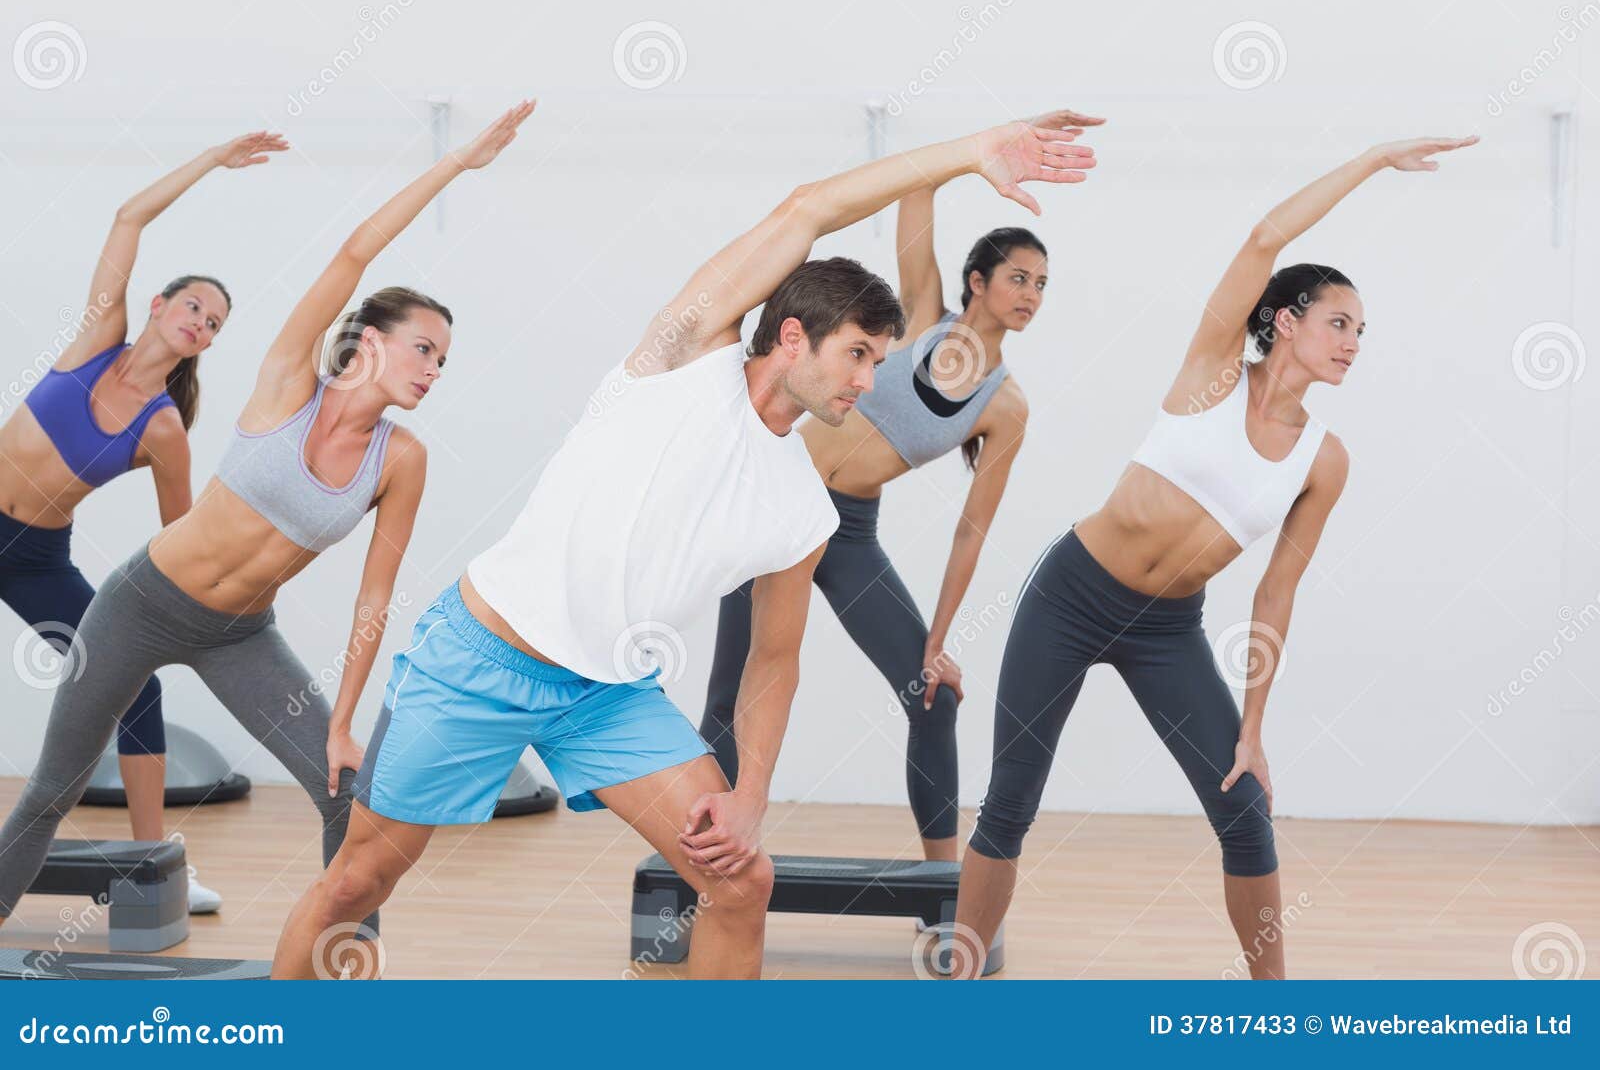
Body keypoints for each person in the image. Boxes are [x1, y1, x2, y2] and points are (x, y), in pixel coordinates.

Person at [270, 111, 1096, 980]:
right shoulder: (682, 359)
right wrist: (971, 154)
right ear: (792, 336)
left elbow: (774, 660)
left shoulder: (803, 509)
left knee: (740, 880)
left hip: (606, 696)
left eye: (878, 361)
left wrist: (750, 797)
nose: (869, 380)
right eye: (857, 354)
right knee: (356, 883)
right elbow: (808, 209)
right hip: (483, 655)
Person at [0, 102, 534, 945]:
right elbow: (355, 250)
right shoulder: (290, 380)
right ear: (371, 341)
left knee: (343, 791)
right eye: (424, 348)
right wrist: (455, 165)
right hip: (139, 603)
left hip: (241, 636)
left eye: (444, 360)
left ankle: (341, 962)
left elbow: (374, 599)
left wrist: (343, 723)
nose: (435, 369)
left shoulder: (401, 460)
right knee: (51, 790)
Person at [952, 135, 1478, 979]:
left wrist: (1254, 726)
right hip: (1072, 595)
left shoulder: (1325, 460)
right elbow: (1266, 236)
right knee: (1008, 805)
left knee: (1245, 812)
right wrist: (1372, 161)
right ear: (1286, 320)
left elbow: (1276, 595)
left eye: (1361, 331)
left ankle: (1273, 1001)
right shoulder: (1214, 372)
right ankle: (957, 984)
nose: (1353, 342)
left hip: (1168, 629)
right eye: (1339, 322)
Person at [701, 110, 1104, 861]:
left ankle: (942, 891)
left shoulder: (1005, 407)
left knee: (932, 698)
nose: (1031, 294)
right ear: (978, 281)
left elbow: (972, 531)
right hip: (775, 502)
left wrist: (939, 640)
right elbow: (915, 195)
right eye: (1019, 277)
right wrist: (973, 154)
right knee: (729, 698)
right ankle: (703, 873)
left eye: (1043, 285)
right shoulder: (920, 316)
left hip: (847, 532)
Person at [0, 131, 286, 912]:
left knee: (137, 692)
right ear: (159, 307)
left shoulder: (163, 429)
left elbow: (178, 541)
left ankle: (153, 869)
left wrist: (204, 610)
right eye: (194, 304)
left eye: (215, 322)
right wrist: (214, 159)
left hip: (33, 560)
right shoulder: (97, 340)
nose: (202, 321)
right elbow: (128, 216)